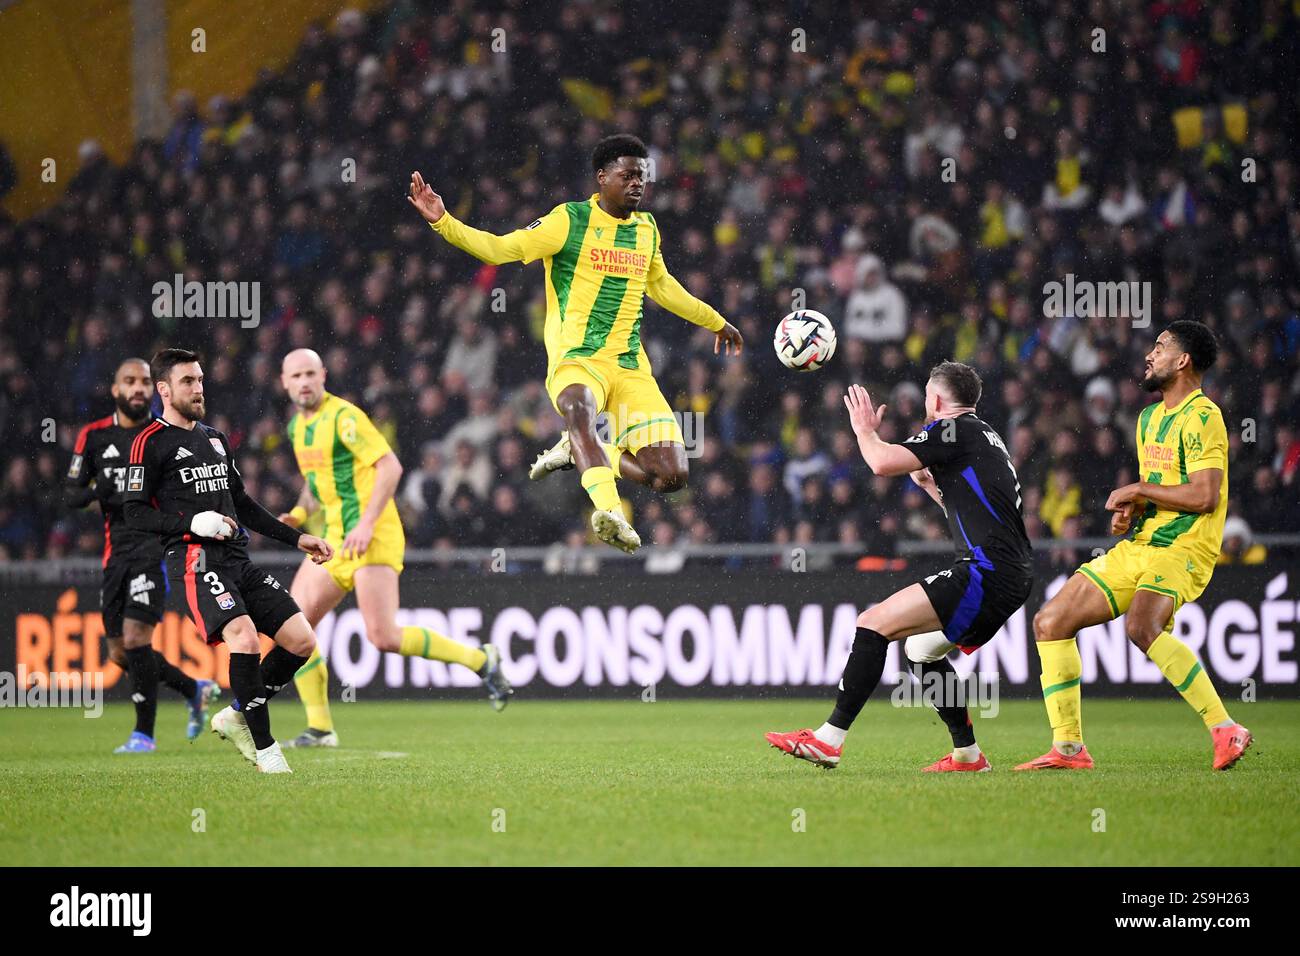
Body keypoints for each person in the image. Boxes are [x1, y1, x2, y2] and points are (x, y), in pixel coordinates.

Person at [408, 133, 744, 553]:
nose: (637, 183)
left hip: (629, 368)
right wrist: (443, 221)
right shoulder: (568, 221)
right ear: (601, 178)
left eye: (642, 176)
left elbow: (664, 288)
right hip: (578, 361)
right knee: (579, 410)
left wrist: (716, 321)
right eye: (627, 176)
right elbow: (499, 249)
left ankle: (582, 446)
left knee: (671, 476)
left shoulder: (647, 229)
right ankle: (611, 511)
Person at [766, 362, 1033, 771]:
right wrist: (930, 486)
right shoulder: (986, 436)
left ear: (938, 400)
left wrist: (863, 430)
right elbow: (975, 509)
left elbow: (881, 462)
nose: (926, 402)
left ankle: (828, 739)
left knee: (872, 623)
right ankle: (968, 754)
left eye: (928, 394)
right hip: (1008, 570)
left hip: (988, 570)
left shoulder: (952, 429)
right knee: (920, 650)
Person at [1018, 322, 1251, 772]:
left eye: (1160, 347)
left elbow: (1204, 496)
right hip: (1142, 545)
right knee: (1050, 621)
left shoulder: (1204, 416)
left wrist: (1140, 489)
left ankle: (1226, 728)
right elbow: (1162, 491)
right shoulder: (1148, 419)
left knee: (1141, 626)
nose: (1150, 354)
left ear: (1183, 361)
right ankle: (1068, 749)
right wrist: (1134, 510)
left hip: (1184, 548)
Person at [277, 349, 511, 748]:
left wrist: (366, 524)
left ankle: (481, 660)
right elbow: (317, 481)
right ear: (284, 382)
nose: (304, 382)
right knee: (293, 625)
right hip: (334, 538)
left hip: (373, 532)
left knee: (383, 636)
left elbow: (391, 467)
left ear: (323, 375)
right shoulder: (298, 429)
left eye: (310, 374)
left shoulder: (345, 417)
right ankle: (320, 728)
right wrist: (299, 513)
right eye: (296, 375)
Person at [122, 348, 333, 773]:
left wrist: (297, 538)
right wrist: (191, 523)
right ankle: (267, 750)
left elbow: (243, 504)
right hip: (195, 563)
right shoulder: (148, 442)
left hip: (238, 560)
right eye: (187, 382)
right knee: (245, 638)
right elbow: (134, 514)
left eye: (200, 380)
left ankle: (236, 715)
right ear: (163, 389)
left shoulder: (214, 438)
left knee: (302, 641)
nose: (198, 388)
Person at [66, 358, 218, 752]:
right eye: (129, 381)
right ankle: (193, 688)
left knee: (136, 638)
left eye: (145, 382)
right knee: (120, 653)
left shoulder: (161, 436)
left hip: (152, 549)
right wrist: (107, 490)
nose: (138, 388)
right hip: (114, 554)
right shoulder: (94, 436)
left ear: (155, 389)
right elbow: (71, 494)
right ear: (115, 390)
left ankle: (143, 736)